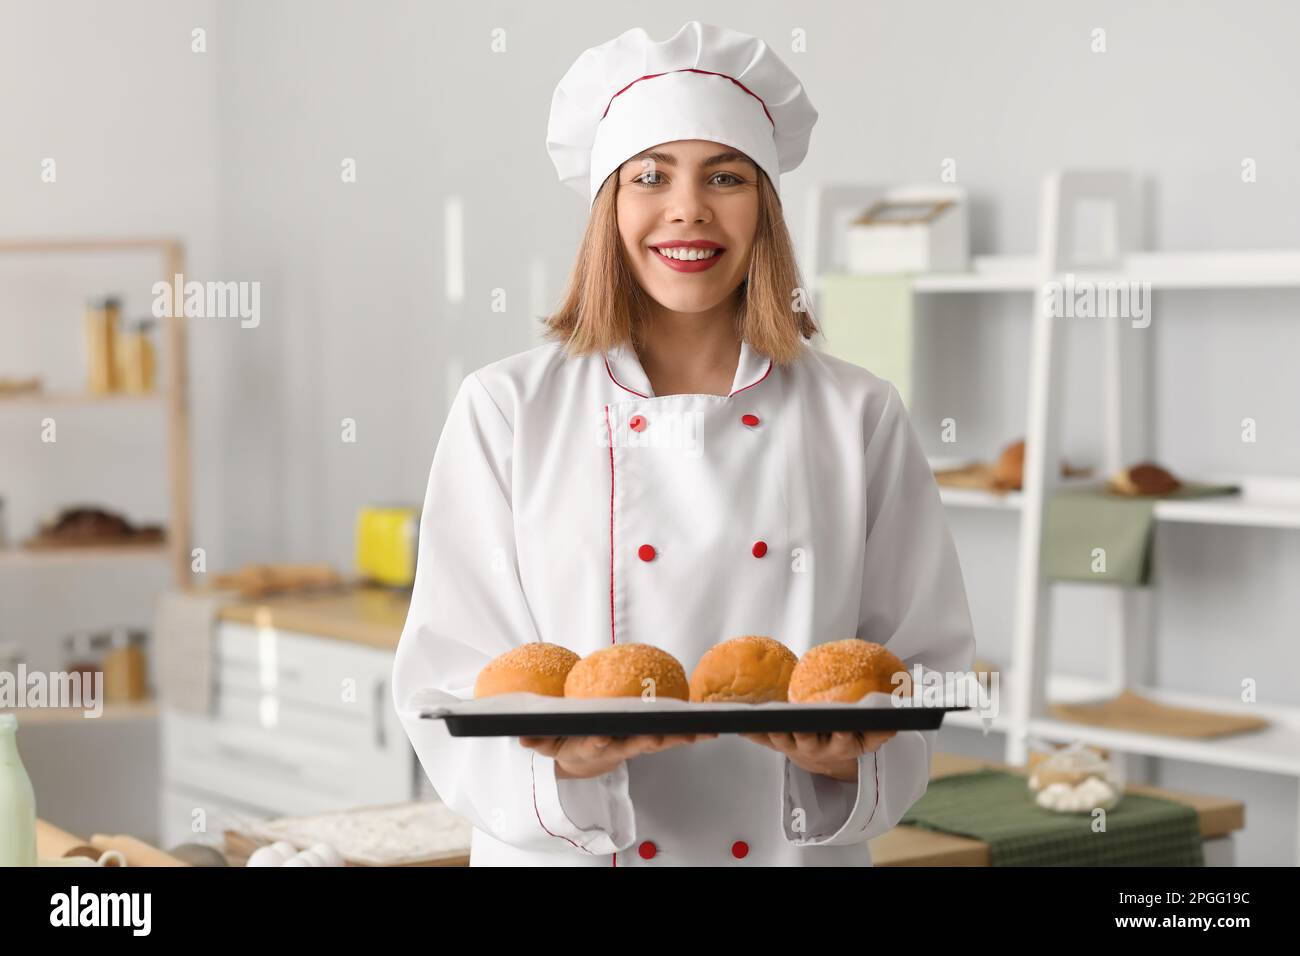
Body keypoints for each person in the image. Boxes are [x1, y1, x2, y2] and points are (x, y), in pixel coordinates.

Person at [392, 20, 976, 866]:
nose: (687, 209)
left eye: (725, 176)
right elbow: (451, 680)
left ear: (764, 208)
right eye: (650, 176)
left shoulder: (859, 414)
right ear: (610, 208)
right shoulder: (506, 409)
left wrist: (853, 763)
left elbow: (924, 667)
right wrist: (566, 771)